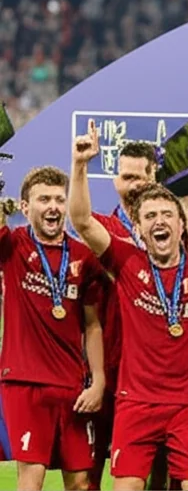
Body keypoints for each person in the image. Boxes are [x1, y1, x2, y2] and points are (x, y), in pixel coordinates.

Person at [68, 120, 188, 491]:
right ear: (139, 230)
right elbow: (81, 220)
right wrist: (79, 166)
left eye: (167, 215)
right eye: (151, 217)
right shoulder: (127, 260)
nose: (160, 221)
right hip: (134, 399)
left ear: (181, 225)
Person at [0, 167, 106, 491]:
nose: (53, 207)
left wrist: (98, 380)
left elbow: (92, 325)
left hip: (72, 386)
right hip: (25, 383)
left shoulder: (84, 257)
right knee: (32, 478)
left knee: (81, 482)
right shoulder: (12, 246)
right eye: (43, 199)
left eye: (59, 199)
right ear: (24, 207)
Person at [85, 140, 160, 491]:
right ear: (115, 180)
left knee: (158, 467)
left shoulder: (169, 232)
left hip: (154, 369)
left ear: (154, 178)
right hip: (108, 363)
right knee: (91, 467)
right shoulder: (102, 229)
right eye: (126, 177)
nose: (133, 185)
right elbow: (80, 219)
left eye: (139, 177)